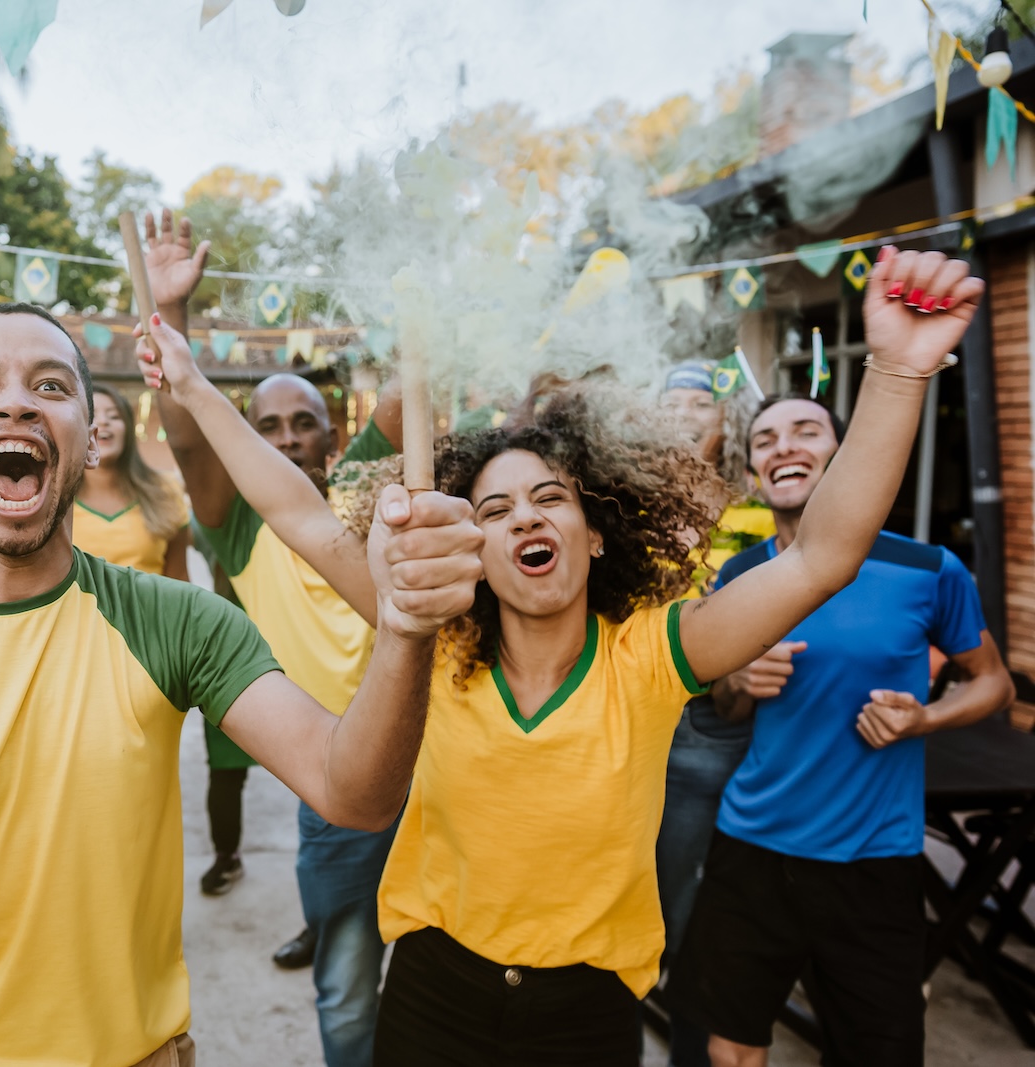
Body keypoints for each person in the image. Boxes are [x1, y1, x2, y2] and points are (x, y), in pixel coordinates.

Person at [137, 246, 983, 1065]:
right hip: (434, 995)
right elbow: (300, 515)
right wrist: (194, 386)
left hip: (587, 1017)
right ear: (472, 543)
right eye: (496, 508)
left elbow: (821, 556)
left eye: (550, 498)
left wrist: (899, 371)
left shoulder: (656, 651)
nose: (526, 519)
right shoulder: (432, 633)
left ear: (598, 532)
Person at [0, 300, 486, 1067]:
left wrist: (406, 628)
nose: (15, 400)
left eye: (50, 387)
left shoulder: (178, 622)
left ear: (89, 443)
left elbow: (355, 793)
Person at [668, 392, 1014, 1067]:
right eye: (765, 439)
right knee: (725, 1049)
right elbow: (732, 711)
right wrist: (738, 682)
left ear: (845, 453)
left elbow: (993, 682)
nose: (784, 446)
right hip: (751, 850)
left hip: (874, 858)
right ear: (752, 474)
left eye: (806, 430)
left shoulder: (927, 568)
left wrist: (925, 717)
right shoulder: (738, 575)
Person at [142, 209, 397, 1062]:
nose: (288, 437)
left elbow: (409, 396)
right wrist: (170, 312)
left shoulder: (365, 487)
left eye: (305, 424)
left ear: (335, 435)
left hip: (445, 767)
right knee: (348, 986)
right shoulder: (241, 525)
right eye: (269, 426)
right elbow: (188, 432)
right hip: (342, 776)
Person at [651, 360, 775, 1067]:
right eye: (672, 403)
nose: (688, 413)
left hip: (716, 722)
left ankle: (690, 1024)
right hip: (639, 712)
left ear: (724, 421)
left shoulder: (754, 508)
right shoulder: (622, 503)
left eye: (702, 402)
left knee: (705, 889)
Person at [73, 381, 189, 580]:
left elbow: (180, 579)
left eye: (114, 416)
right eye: (92, 416)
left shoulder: (165, 490)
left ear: (127, 427)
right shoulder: (54, 500)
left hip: (152, 610)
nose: (103, 422)